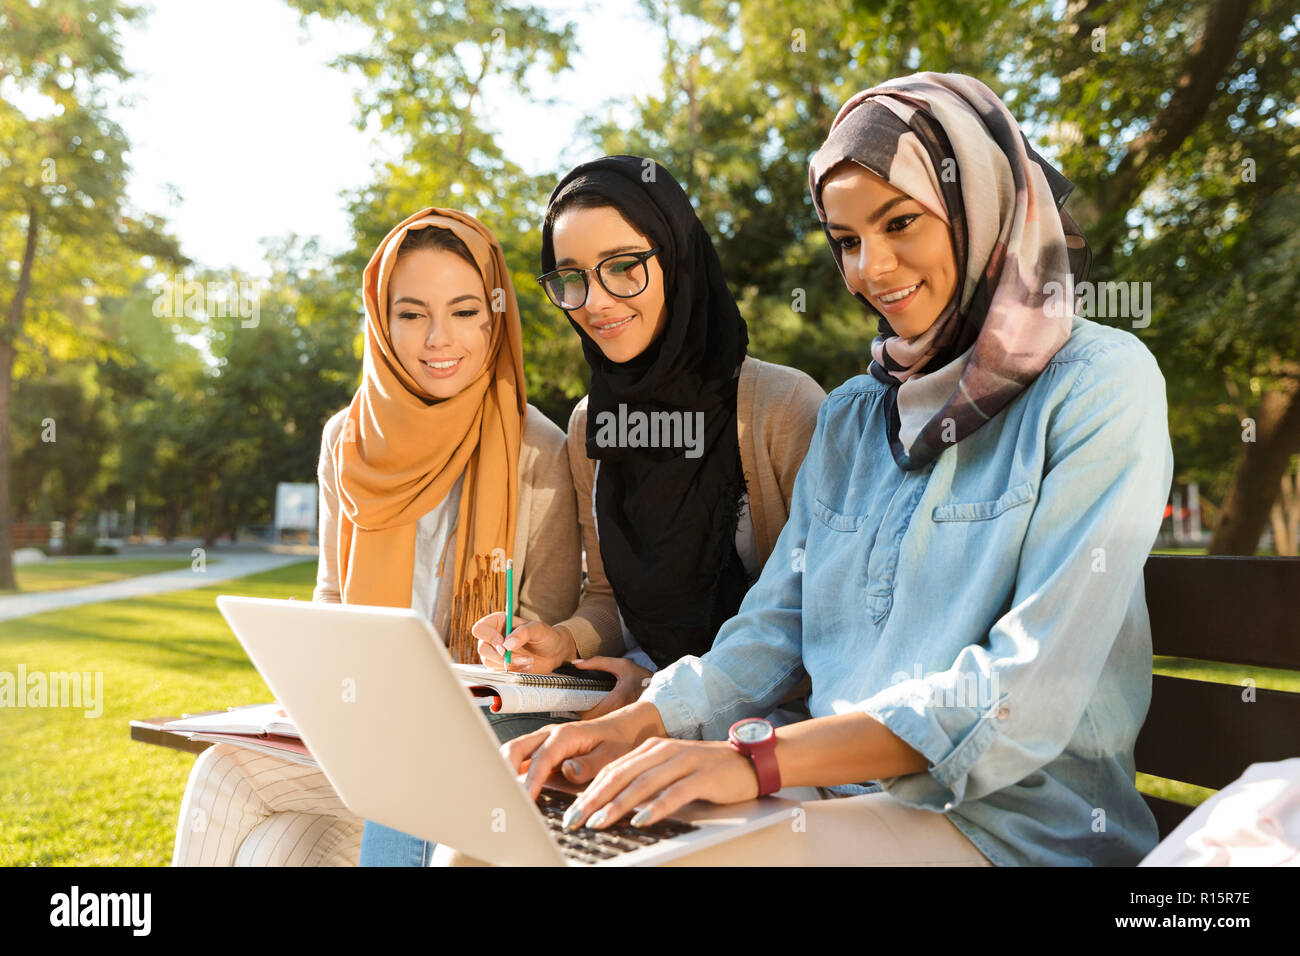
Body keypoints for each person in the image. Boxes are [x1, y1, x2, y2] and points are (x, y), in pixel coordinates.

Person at [497, 73, 1174, 867]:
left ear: (979, 207)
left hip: (1011, 830)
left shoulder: (1098, 382)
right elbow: (774, 626)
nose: (870, 270)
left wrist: (757, 762)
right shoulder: (858, 414)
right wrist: (635, 722)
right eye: (848, 241)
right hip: (829, 803)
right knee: (516, 840)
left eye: (899, 223)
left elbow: (1024, 695)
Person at [170, 207, 585, 867]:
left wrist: (518, 648)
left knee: (294, 833)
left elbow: (558, 636)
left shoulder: (541, 449)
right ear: (381, 321)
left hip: (479, 744)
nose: (438, 339)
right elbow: (333, 593)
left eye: (465, 311)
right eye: (412, 313)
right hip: (360, 725)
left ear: (495, 318)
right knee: (233, 792)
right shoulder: (348, 440)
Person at [472, 155, 826, 723]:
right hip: (639, 707)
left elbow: (824, 619)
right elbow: (610, 599)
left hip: (778, 728)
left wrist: (662, 695)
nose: (595, 301)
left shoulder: (780, 408)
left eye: (622, 266)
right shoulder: (591, 423)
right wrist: (565, 642)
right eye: (571, 278)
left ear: (677, 257)